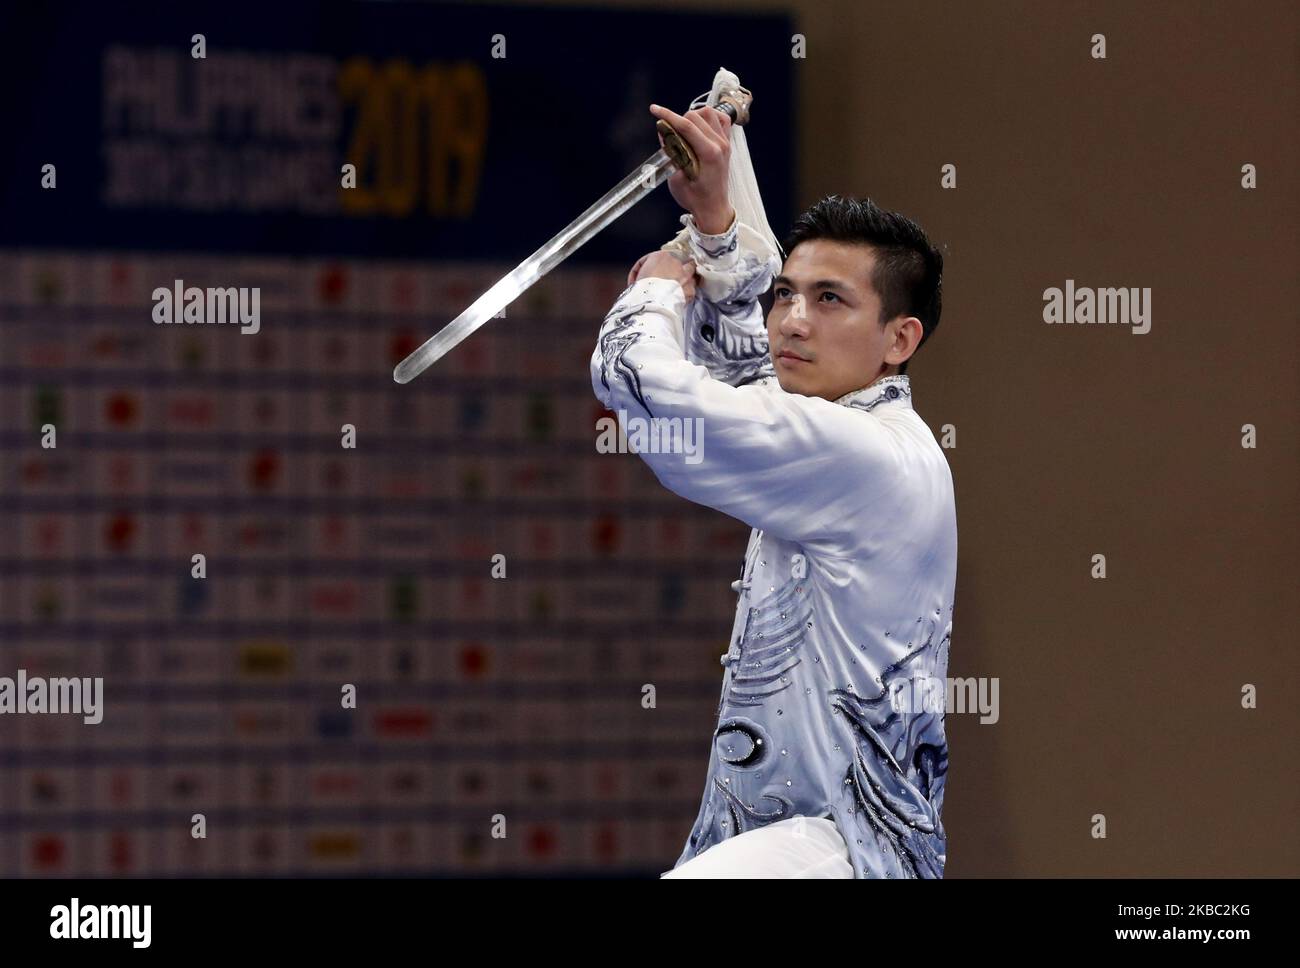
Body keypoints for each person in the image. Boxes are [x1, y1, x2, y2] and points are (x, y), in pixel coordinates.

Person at [590, 104, 955, 878]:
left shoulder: (865, 455)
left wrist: (655, 294)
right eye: (785, 293)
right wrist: (718, 221)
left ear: (900, 339)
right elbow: (748, 373)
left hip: (840, 849)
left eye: (830, 300)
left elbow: (659, 403)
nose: (791, 319)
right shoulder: (844, 423)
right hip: (806, 842)